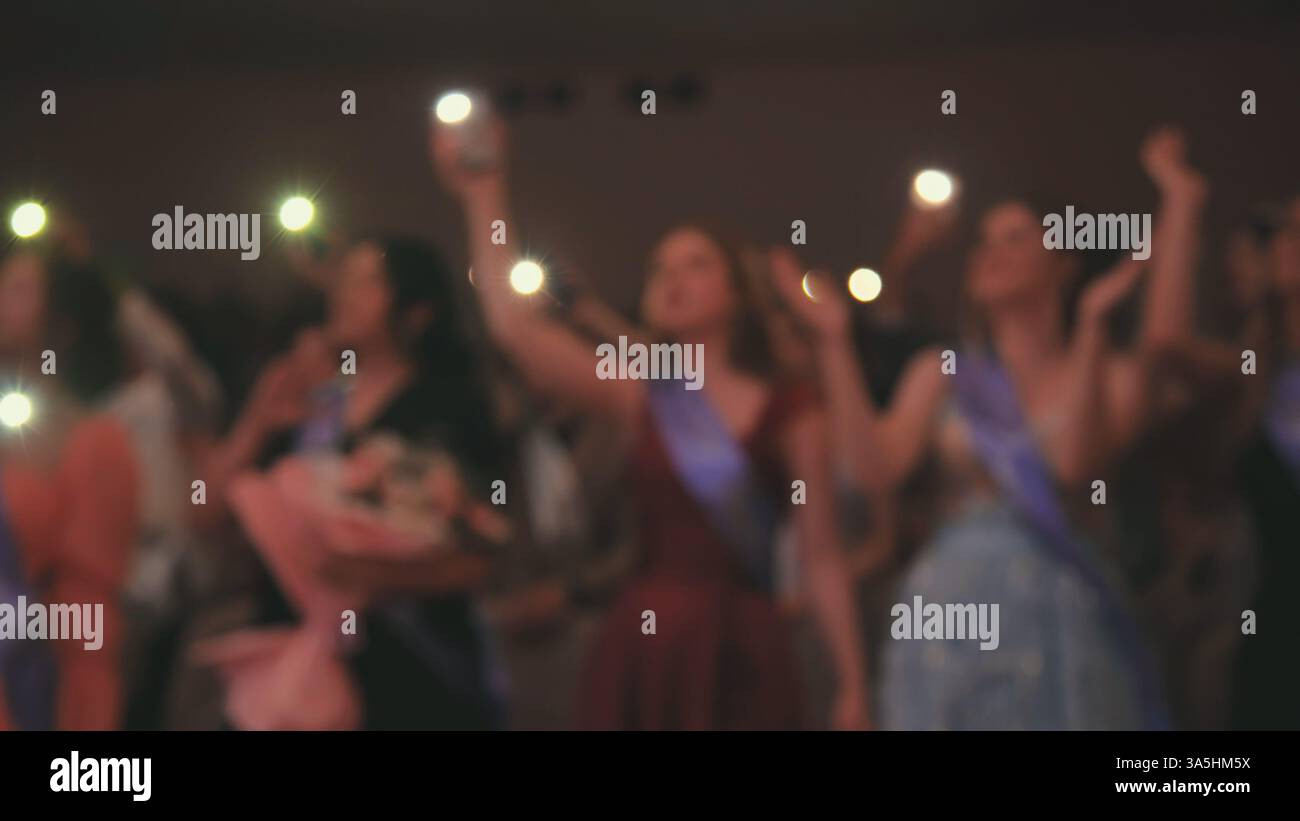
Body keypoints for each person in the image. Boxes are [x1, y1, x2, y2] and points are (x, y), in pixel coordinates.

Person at [430, 116, 869, 730]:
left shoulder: (790, 407)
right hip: (647, 638)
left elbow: (822, 557)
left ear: (737, 291)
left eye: (695, 264)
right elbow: (514, 329)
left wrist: (852, 686)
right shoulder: (643, 395)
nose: (671, 278)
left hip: (741, 642)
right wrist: (484, 197)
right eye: (660, 267)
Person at [773, 128, 1207, 729]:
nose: (990, 252)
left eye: (1015, 238)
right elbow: (878, 469)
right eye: (983, 240)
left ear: (1063, 262)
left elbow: (1076, 465)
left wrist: (1090, 329)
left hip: (1062, 609)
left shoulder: (1113, 372)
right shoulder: (945, 370)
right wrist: (834, 342)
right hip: (949, 605)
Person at [192, 236, 510, 729]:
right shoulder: (308, 399)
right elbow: (206, 514)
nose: (345, 293)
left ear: (418, 311)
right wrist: (256, 421)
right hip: (297, 666)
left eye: (370, 282)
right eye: (344, 279)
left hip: (412, 671)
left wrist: (366, 577)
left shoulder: (447, 409)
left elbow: (483, 553)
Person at [0, 246, 140, 730]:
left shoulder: (92, 441)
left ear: (61, 320)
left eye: (19, 288)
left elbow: (89, 619)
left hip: (27, 689)